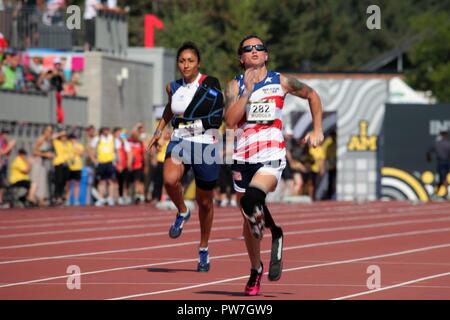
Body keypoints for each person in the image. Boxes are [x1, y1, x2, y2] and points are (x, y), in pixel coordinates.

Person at [224, 35, 324, 296]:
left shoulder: (281, 81)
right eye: (248, 49)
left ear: (266, 55)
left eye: (260, 48)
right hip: (242, 157)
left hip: (271, 154)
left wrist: (317, 130)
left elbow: (312, 95)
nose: (255, 51)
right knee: (248, 220)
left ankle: (267, 225)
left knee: (251, 201)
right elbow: (230, 121)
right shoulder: (234, 86)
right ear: (241, 58)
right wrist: (246, 92)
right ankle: (256, 267)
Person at [148, 41, 224, 272]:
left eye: (190, 60)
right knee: (170, 179)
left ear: (198, 63)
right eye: (182, 61)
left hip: (206, 145)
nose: (186, 65)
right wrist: (158, 131)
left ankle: (203, 249)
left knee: (205, 202)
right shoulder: (173, 87)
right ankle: (182, 210)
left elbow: (217, 118)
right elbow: (170, 109)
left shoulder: (210, 84)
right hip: (180, 140)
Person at [30, 125, 54, 206]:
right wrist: (45, 154)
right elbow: (34, 152)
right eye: (48, 131)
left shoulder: (48, 140)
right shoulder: (41, 139)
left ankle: (40, 199)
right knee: (36, 180)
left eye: (51, 131)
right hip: (37, 161)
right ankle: (31, 197)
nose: (50, 133)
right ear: (44, 131)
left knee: (42, 181)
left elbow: (55, 136)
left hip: (42, 163)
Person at [427, 131, 450, 199]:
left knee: (443, 178)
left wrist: (429, 159)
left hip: (441, 162)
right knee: (441, 178)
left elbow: (428, 152)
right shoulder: (448, 144)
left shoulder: (437, 143)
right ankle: (436, 193)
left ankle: (447, 193)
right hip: (447, 162)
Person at [67, 133, 85, 206]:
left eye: (74, 139)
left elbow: (81, 153)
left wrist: (74, 147)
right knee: (68, 184)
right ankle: (67, 199)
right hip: (69, 166)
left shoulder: (79, 146)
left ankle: (76, 199)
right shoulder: (67, 145)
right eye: (72, 139)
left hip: (77, 167)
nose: (73, 140)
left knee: (76, 184)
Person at [0, 129, 16, 205]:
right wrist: (10, 146)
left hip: (3, 165)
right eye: (6, 134)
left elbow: (6, 154)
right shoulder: (0, 141)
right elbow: (2, 152)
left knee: (2, 184)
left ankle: (0, 200)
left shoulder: (5, 142)